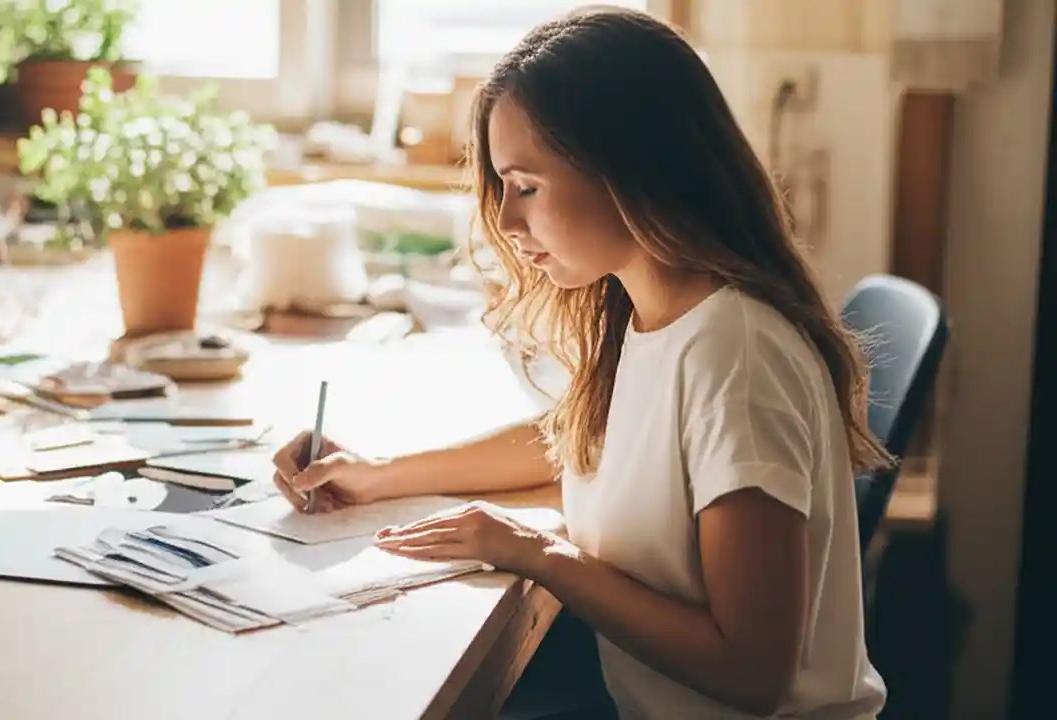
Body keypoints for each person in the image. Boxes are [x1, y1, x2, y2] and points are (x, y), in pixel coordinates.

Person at [269, 6, 888, 718]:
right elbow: (577, 448)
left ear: (631, 170)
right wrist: (377, 474)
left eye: (526, 187)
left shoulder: (734, 355)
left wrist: (539, 553)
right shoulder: (652, 316)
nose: (506, 221)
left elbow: (753, 672)